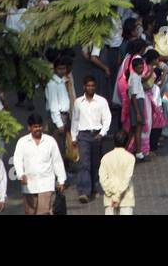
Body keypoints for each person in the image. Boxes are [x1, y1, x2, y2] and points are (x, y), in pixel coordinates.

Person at [11, 114, 65, 214]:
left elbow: (57, 161)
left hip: (46, 184)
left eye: (39, 126)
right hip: (29, 186)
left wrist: (61, 180)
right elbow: (17, 159)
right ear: (29, 127)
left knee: (44, 212)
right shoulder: (22, 142)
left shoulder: (50, 141)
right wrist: (20, 174)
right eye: (35, 127)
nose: (38, 129)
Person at [70, 75, 111, 203]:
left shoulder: (101, 101)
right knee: (84, 164)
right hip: (83, 135)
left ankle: (93, 187)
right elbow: (75, 120)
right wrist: (73, 137)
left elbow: (107, 118)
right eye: (88, 86)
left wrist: (102, 133)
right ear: (84, 87)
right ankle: (84, 191)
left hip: (97, 135)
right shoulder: (78, 102)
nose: (90, 88)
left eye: (93, 86)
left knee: (95, 163)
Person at [99, 130, 137, 215]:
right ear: (127, 142)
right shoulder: (130, 158)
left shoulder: (106, 158)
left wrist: (111, 194)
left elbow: (102, 179)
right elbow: (126, 179)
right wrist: (117, 197)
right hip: (126, 199)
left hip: (109, 199)